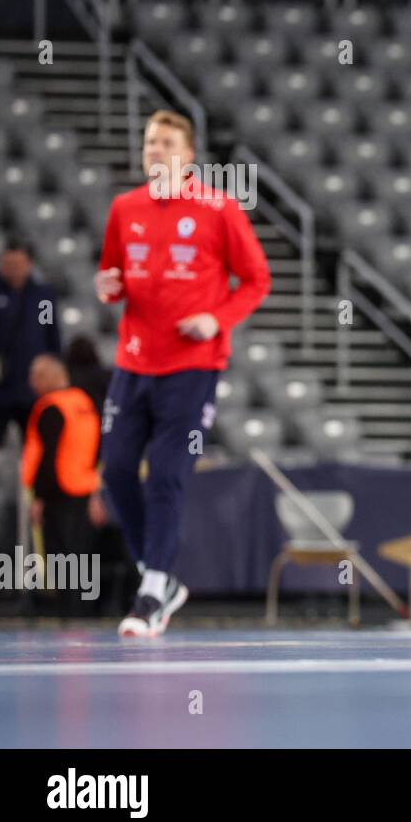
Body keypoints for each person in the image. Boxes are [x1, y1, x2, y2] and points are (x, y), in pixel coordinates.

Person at [95, 109, 271, 637]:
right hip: (133, 361)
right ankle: (160, 572)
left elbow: (257, 279)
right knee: (115, 472)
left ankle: (152, 591)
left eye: (167, 142)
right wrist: (109, 289)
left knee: (168, 474)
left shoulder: (218, 208)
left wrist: (214, 318)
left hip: (192, 367)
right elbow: (114, 277)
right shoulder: (124, 208)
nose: (156, 150)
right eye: (150, 142)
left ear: (188, 155)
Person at [21, 355, 105, 615]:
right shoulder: (83, 403)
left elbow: (49, 457)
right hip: (83, 485)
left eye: (35, 376)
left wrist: (38, 497)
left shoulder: (51, 407)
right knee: (80, 552)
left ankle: (69, 611)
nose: (30, 382)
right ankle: (85, 608)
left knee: (60, 553)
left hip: (58, 490)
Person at [0, 240, 60, 447]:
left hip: (32, 386)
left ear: (29, 264)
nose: (12, 269)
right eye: (7, 264)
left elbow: (49, 332)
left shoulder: (42, 296)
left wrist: (52, 365)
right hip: (1, 384)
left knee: (35, 443)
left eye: (18, 263)